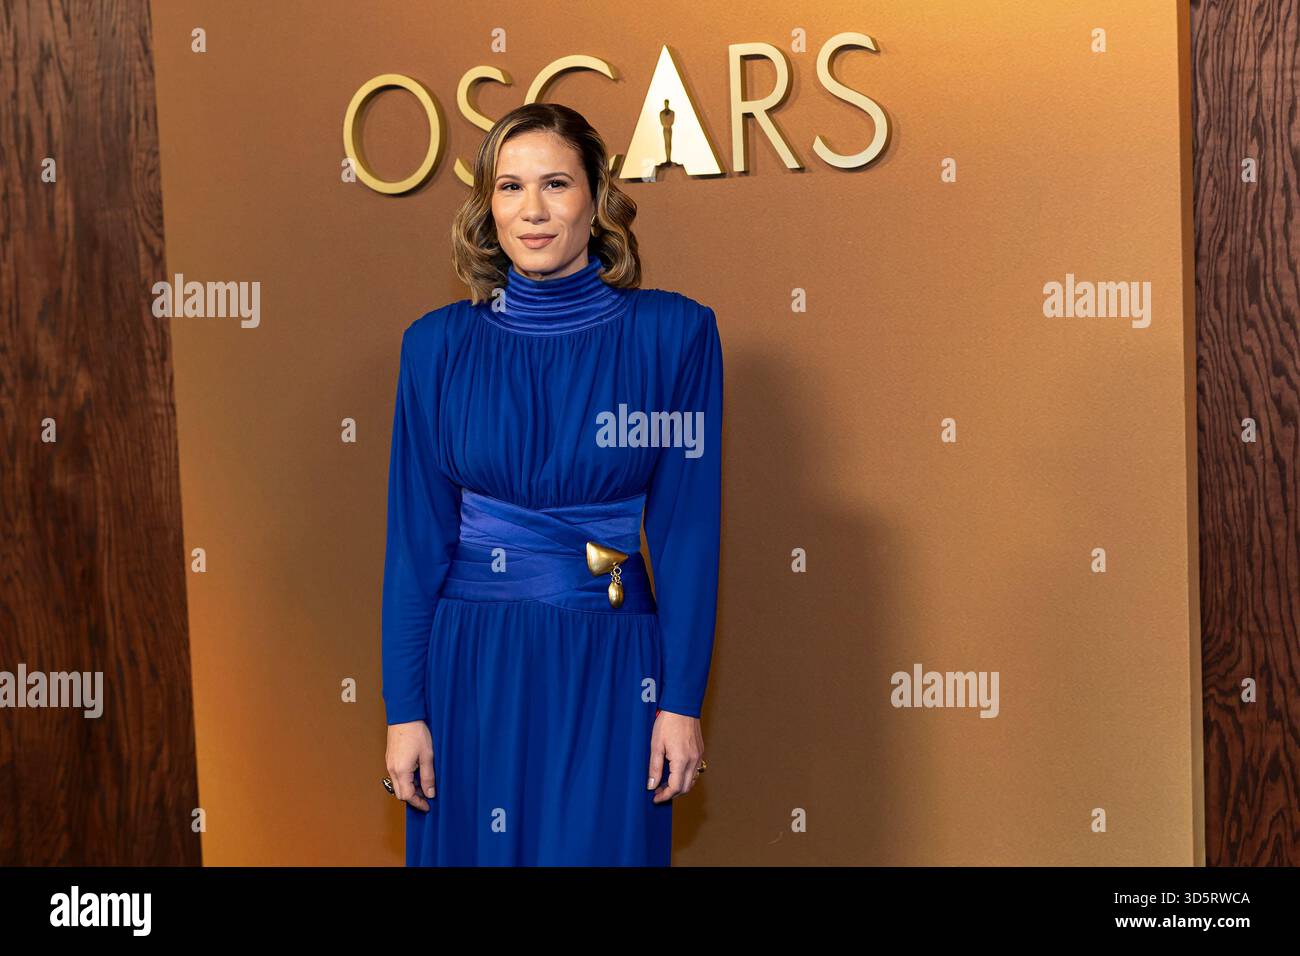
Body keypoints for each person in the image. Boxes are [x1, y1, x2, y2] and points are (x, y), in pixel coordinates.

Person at [380, 102, 723, 866]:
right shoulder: (435, 346)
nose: (531, 211)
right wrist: (405, 711)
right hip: (468, 665)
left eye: (556, 184)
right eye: (509, 188)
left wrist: (679, 702)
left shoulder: (674, 334)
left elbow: (687, 534)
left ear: (597, 201)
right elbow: (416, 541)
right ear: (487, 207)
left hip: (610, 666)